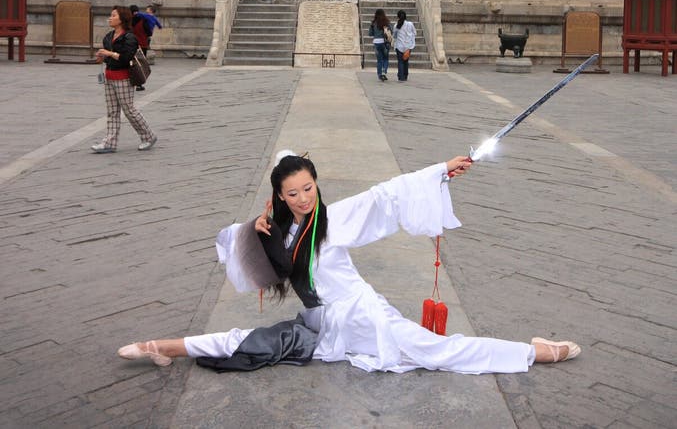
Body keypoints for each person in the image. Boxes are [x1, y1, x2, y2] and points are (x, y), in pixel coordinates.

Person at [118, 151, 580, 371]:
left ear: (318, 183)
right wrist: (253, 229)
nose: (302, 198)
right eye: (292, 193)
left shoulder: (333, 219)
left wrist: (442, 172)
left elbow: (386, 196)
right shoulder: (281, 228)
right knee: (251, 339)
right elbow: (243, 260)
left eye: (308, 189)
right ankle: (162, 347)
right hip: (325, 324)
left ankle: (535, 351)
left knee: (435, 352)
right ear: (279, 195)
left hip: (362, 313)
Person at [91, 6, 157, 153]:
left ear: (122, 19)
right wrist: (102, 57)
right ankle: (110, 143)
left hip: (124, 77)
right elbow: (109, 58)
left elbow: (126, 58)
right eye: (110, 15)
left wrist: (109, 53)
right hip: (109, 76)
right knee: (112, 111)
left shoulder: (130, 37)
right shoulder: (108, 36)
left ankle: (148, 136)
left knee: (129, 110)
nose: (110, 18)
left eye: (113, 15)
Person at [368, 8, 392, 81]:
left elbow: (370, 34)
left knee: (379, 60)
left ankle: (379, 75)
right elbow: (391, 32)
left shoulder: (373, 23)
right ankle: (384, 72)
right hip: (384, 43)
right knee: (385, 58)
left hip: (376, 42)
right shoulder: (386, 22)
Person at [393, 9, 416, 81]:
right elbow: (415, 33)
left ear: (398, 17)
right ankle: (405, 75)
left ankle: (401, 76)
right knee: (406, 60)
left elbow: (394, 36)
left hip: (399, 46)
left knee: (400, 61)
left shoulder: (396, 25)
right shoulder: (410, 24)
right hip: (408, 46)